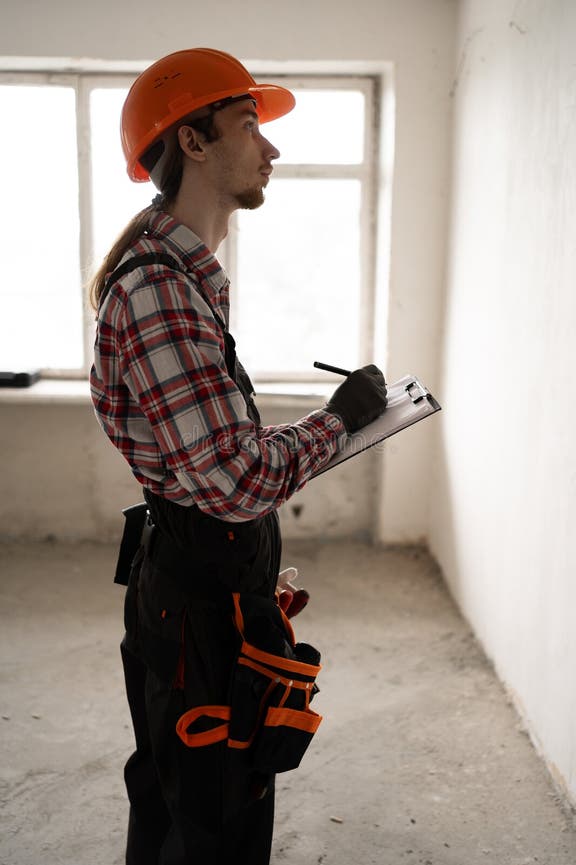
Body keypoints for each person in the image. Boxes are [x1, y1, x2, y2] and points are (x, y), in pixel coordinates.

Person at [89, 47, 388, 865]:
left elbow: (206, 469)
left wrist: (256, 574)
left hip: (200, 585)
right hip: (195, 605)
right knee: (214, 814)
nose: (271, 147)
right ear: (192, 140)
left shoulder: (185, 280)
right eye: (249, 122)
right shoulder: (158, 290)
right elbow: (235, 478)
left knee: (179, 794)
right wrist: (345, 419)